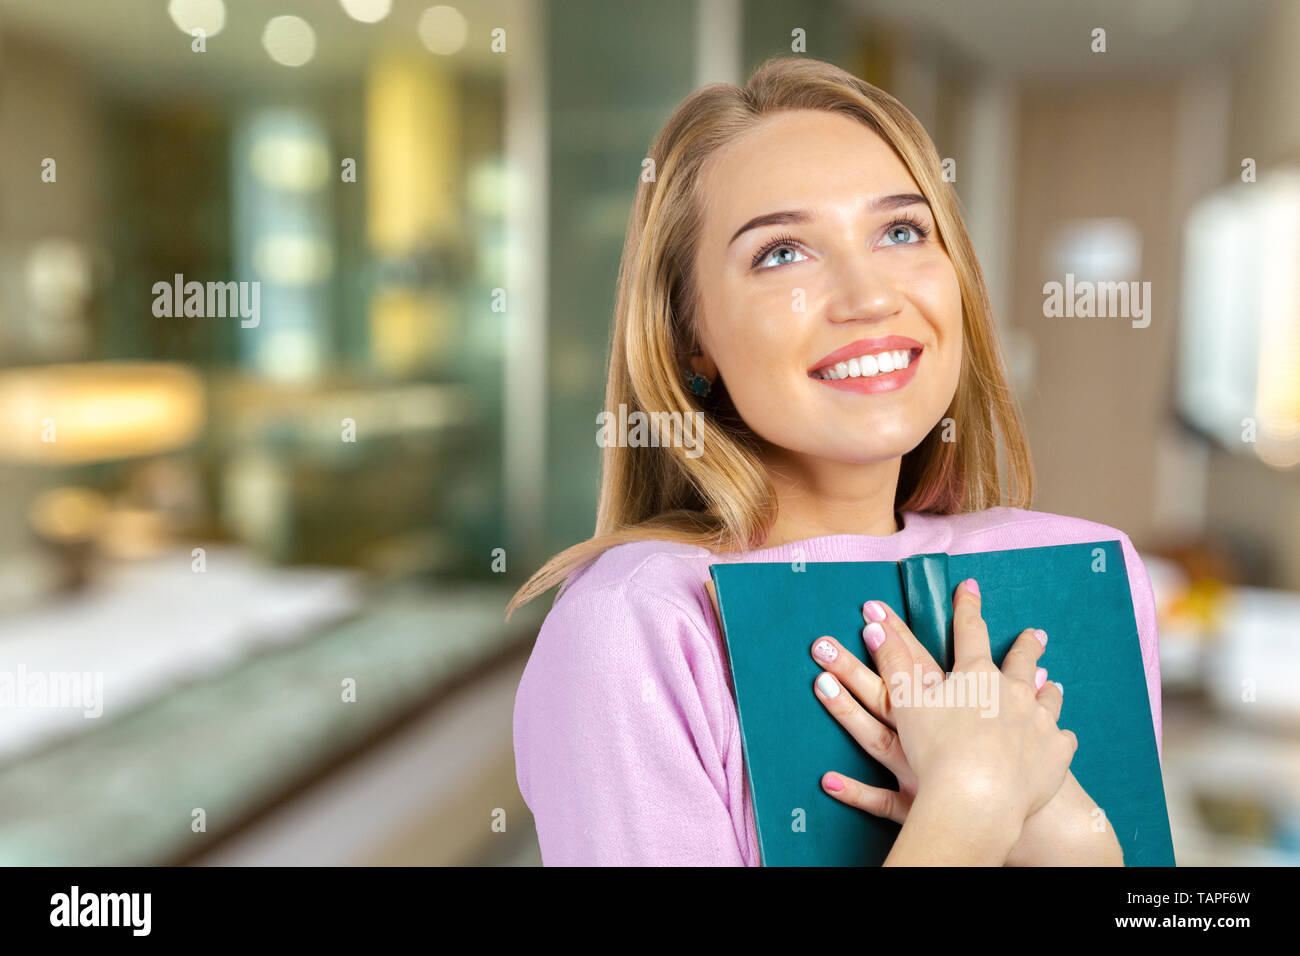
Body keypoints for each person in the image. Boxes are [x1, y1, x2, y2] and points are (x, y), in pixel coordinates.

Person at [507, 55, 1160, 866]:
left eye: (900, 231)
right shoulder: (641, 626)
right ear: (688, 339)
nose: (868, 295)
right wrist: (968, 810)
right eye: (783, 252)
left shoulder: (1087, 573)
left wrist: (1072, 839)